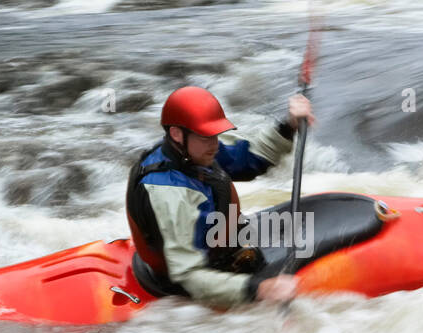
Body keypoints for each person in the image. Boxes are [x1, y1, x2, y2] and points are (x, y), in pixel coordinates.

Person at [126, 86, 314, 306]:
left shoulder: (192, 152)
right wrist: (260, 289)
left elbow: (250, 159)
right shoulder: (170, 195)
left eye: (215, 135)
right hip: (189, 280)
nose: (215, 145)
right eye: (206, 136)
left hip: (217, 245)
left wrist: (289, 126)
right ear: (177, 133)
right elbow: (189, 276)